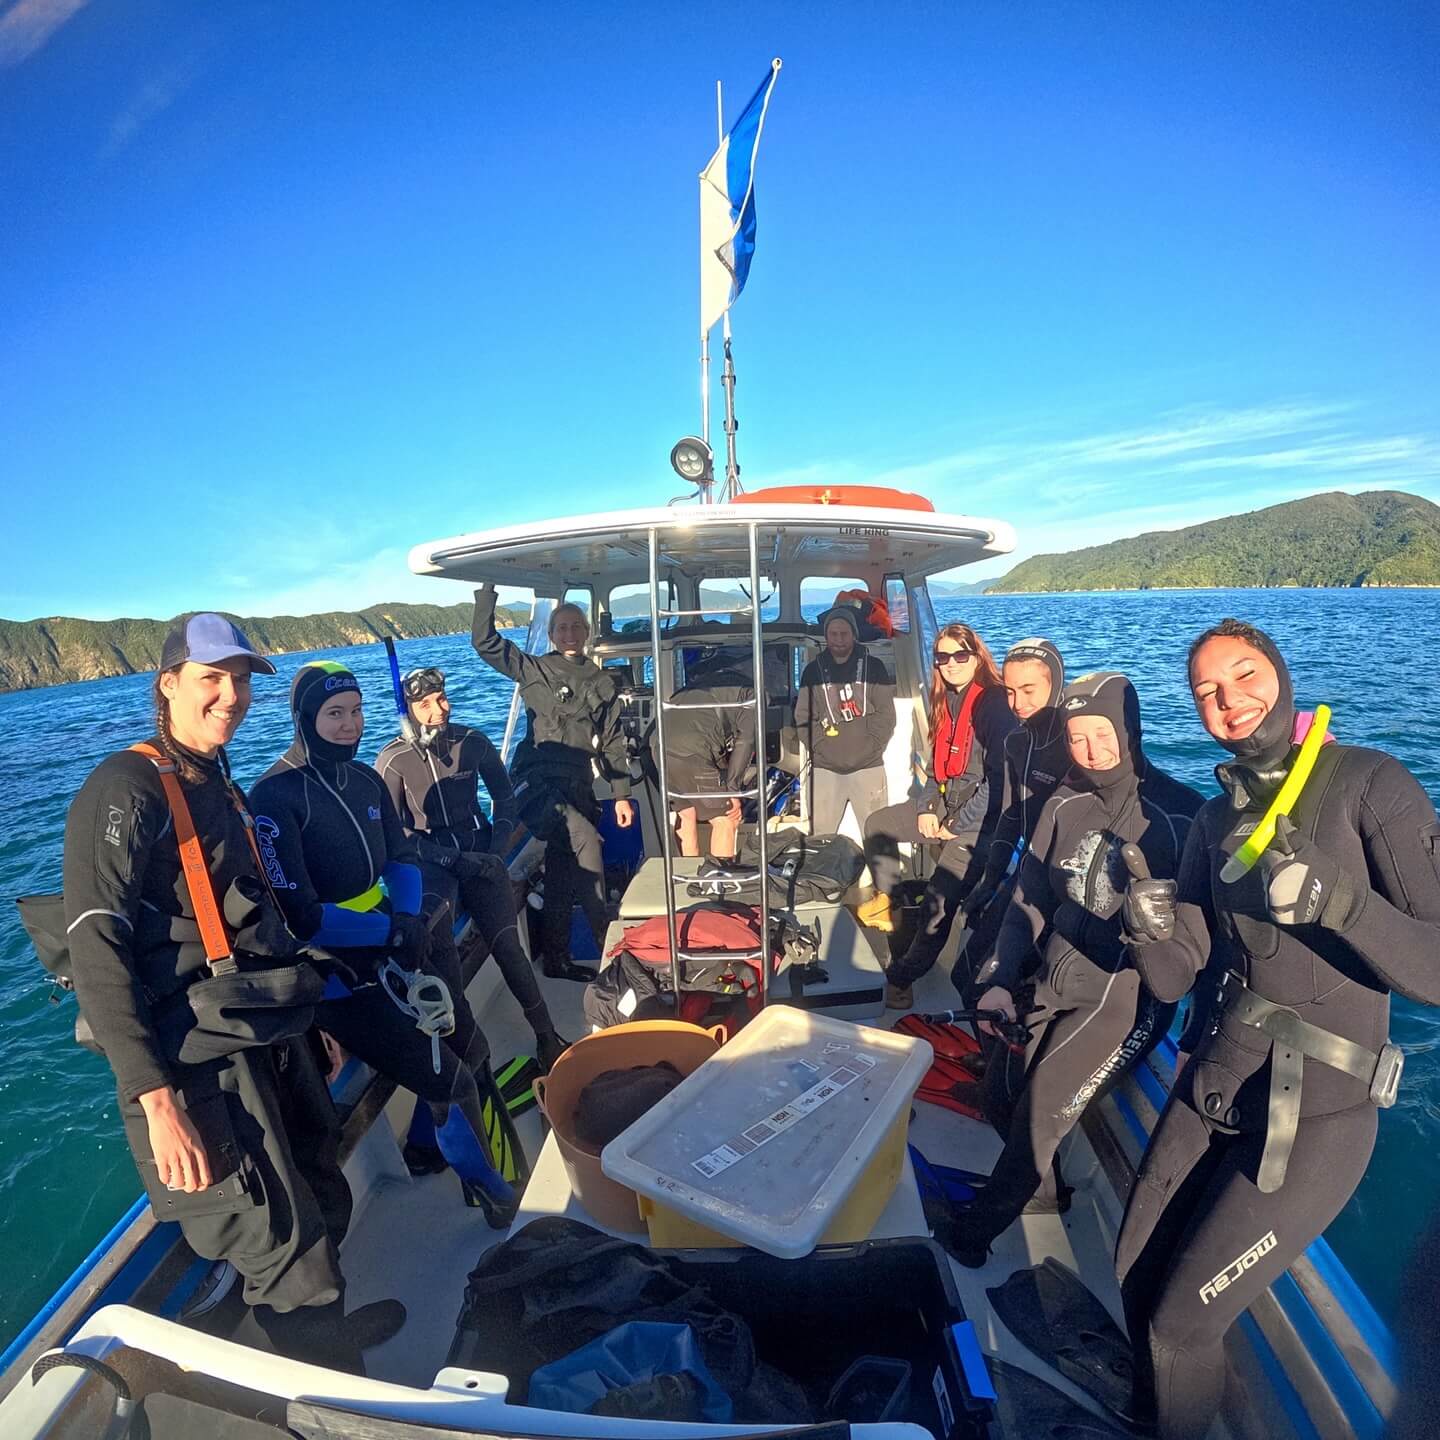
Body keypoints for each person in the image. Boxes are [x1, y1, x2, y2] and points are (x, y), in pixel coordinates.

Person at [1114, 619, 1440, 1440]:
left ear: (1283, 675)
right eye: (1207, 691)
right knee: (1132, 1273)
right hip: (1214, 1084)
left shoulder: (1369, 784)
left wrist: (1344, 904)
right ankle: (1149, 1416)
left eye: (1245, 674)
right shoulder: (1213, 819)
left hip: (1318, 1115)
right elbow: (1180, 973)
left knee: (1181, 1323)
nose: (1229, 700)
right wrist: (1147, 928)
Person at [62, 614, 401, 1373]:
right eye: (211, 678)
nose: (231, 696)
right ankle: (333, 1400)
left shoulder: (215, 781)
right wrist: (156, 1100)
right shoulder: (125, 788)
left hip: (266, 1033)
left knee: (324, 1190)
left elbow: (254, 918)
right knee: (282, 1250)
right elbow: (95, 944)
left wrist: (305, 1020)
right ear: (169, 683)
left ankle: (332, 1339)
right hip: (200, 1069)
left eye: (242, 680)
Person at [935, 672, 1203, 1266]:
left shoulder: (1182, 816)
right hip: (1055, 972)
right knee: (1000, 1095)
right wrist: (1000, 978)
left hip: (1126, 996)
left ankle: (971, 1238)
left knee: (1041, 1113)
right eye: (1078, 736)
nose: (1090, 749)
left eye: (1103, 734)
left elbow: (1205, 950)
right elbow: (1028, 898)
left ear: (1130, 730)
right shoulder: (1065, 802)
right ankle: (1046, 1193)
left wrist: (1196, 1034)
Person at [249, 661, 519, 1225]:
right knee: (451, 1078)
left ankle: (425, 1147)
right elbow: (302, 917)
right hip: (336, 973)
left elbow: (400, 857)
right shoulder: (275, 797)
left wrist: (406, 917)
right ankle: (496, 1198)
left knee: (467, 1045)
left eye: (356, 711)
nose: (350, 724)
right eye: (334, 713)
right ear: (304, 718)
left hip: (394, 943)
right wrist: (390, 930)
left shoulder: (365, 779)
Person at [375, 665, 568, 1072]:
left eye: (441, 698)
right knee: (443, 956)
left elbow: (505, 800)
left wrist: (496, 851)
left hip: (480, 854)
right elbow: (395, 835)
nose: (438, 710)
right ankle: (472, 1061)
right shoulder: (392, 760)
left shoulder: (473, 741)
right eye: (425, 704)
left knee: (509, 948)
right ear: (407, 711)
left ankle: (547, 1036)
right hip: (433, 863)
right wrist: (450, 858)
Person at [471, 588, 636, 975]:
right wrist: (487, 591)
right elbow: (485, 642)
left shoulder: (601, 682)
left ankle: (557, 959)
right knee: (586, 839)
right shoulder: (533, 669)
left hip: (575, 784)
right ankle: (609, 947)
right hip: (536, 781)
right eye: (562, 627)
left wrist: (621, 794)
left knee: (562, 869)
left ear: (588, 632)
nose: (570, 633)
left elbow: (612, 742)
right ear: (551, 634)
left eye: (577, 626)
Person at [860, 622, 1015, 1010]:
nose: (951, 663)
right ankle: (891, 903)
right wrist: (928, 807)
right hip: (948, 805)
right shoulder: (946, 701)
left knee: (937, 904)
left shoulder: (993, 704)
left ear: (977, 657)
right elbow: (935, 772)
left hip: (981, 822)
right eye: (943, 657)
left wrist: (955, 826)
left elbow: (999, 782)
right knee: (878, 826)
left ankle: (902, 977)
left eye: (960, 655)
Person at [949, 638, 1070, 995]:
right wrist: (989, 883)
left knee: (1023, 991)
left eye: (1029, 690)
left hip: (1067, 888)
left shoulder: (1077, 744)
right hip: (1027, 874)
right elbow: (1011, 816)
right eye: (1010, 692)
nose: (1017, 704)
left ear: (1056, 684)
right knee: (965, 977)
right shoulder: (1017, 742)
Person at [794, 604, 896, 835]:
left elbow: (886, 714)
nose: (838, 639)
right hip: (825, 768)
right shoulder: (812, 671)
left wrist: (873, 745)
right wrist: (819, 746)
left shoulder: (874, 667)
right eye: (833, 634)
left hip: (868, 766)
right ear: (826, 636)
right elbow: (803, 717)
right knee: (821, 838)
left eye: (844, 634)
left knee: (878, 838)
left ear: (853, 635)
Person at [660, 648, 757, 860]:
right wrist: (732, 791)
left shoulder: (692, 688)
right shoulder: (751, 693)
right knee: (726, 818)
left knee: (687, 815)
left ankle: (688, 875)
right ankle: (719, 878)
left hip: (657, 747)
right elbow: (746, 742)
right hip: (693, 751)